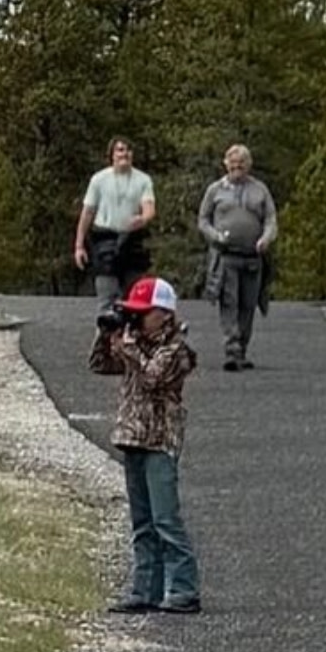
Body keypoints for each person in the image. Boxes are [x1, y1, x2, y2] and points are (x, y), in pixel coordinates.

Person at [90, 275, 202, 615]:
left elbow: (154, 377)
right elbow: (99, 365)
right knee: (142, 521)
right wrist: (106, 333)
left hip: (159, 440)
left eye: (143, 312)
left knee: (165, 518)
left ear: (164, 313)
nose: (137, 318)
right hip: (132, 436)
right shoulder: (133, 340)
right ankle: (145, 589)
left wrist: (132, 350)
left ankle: (184, 588)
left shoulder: (177, 349)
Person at [197, 143, 278, 371]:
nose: (237, 168)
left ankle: (242, 347)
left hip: (253, 256)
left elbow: (271, 219)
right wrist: (215, 236)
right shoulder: (215, 190)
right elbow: (203, 220)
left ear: (248, 165)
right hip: (226, 256)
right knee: (229, 302)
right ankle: (231, 349)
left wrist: (266, 238)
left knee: (248, 304)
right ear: (226, 164)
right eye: (233, 164)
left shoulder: (260, 190)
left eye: (241, 164)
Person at [73, 138, 157, 305]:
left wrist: (143, 218)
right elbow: (87, 212)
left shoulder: (143, 180)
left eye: (128, 150)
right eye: (119, 150)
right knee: (107, 297)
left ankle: (129, 331)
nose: (124, 154)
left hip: (132, 242)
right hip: (105, 240)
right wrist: (79, 246)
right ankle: (105, 330)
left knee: (134, 298)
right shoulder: (98, 179)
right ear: (112, 155)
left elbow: (149, 207)